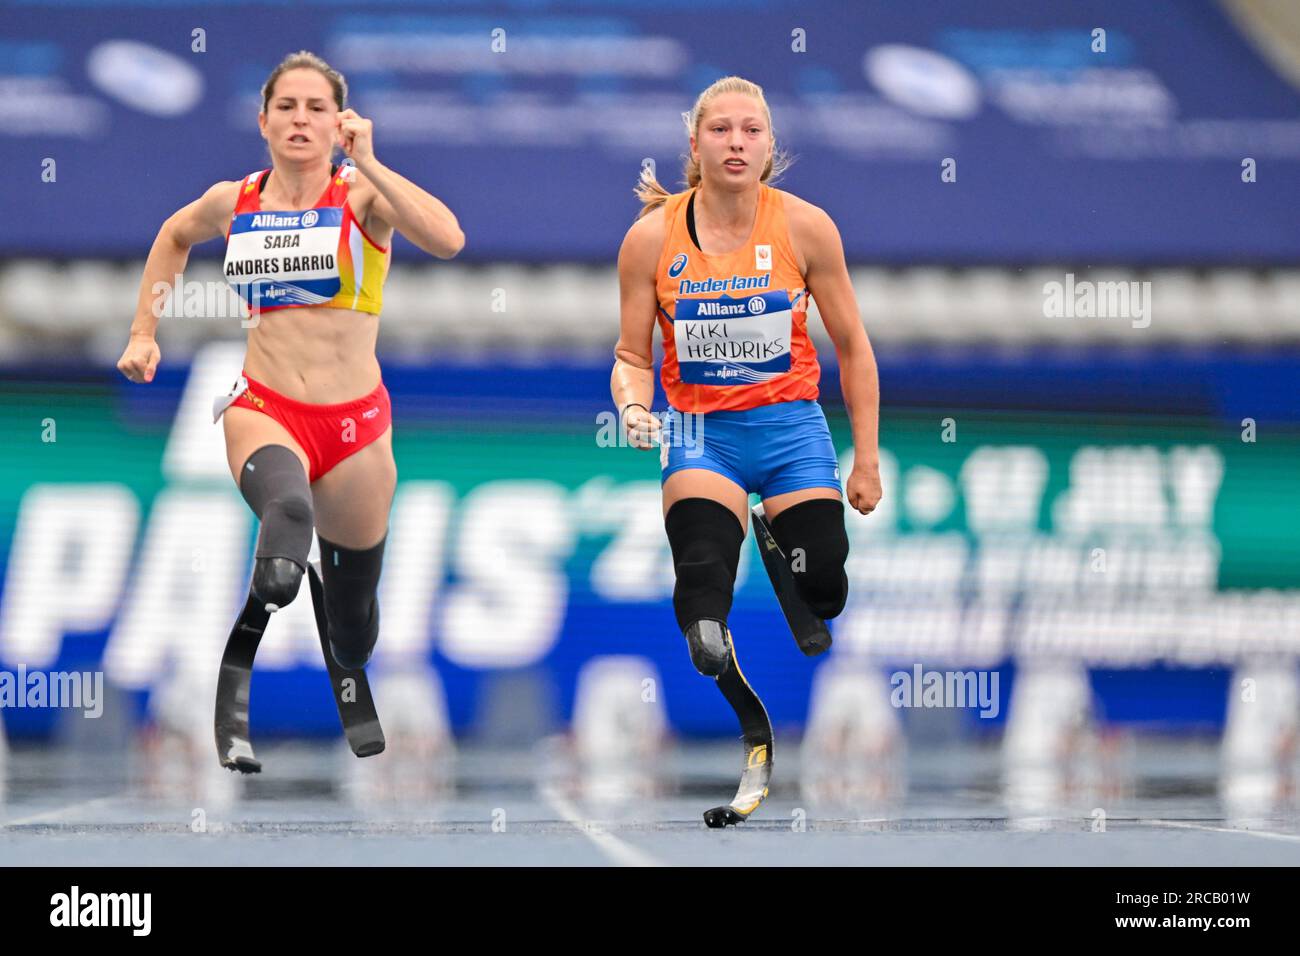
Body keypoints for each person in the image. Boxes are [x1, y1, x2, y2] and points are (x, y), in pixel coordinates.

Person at [117, 50, 464, 672]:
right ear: (263, 122)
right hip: (265, 406)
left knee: (351, 623)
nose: (300, 120)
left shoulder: (361, 198)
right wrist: (144, 331)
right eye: (286, 107)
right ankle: (269, 586)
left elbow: (448, 239)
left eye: (316, 108)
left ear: (341, 123)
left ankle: (345, 633)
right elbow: (173, 236)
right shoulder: (234, 201)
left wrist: (373, 164)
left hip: (354, 427)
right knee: (289, 516)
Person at [611, 76, 882, 815]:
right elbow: (632, 357)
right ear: (695, 145)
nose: (736, 142)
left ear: (769, 146)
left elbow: (854, 347)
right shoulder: (649, 239)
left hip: (790, 430)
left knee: (825, 586)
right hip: (702, 434)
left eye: (751, 130)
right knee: (702, 599)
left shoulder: (805, 228)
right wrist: (635, 408)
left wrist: (865, 458)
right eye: (721, 130)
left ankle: (779, 538)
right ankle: (723, 664)